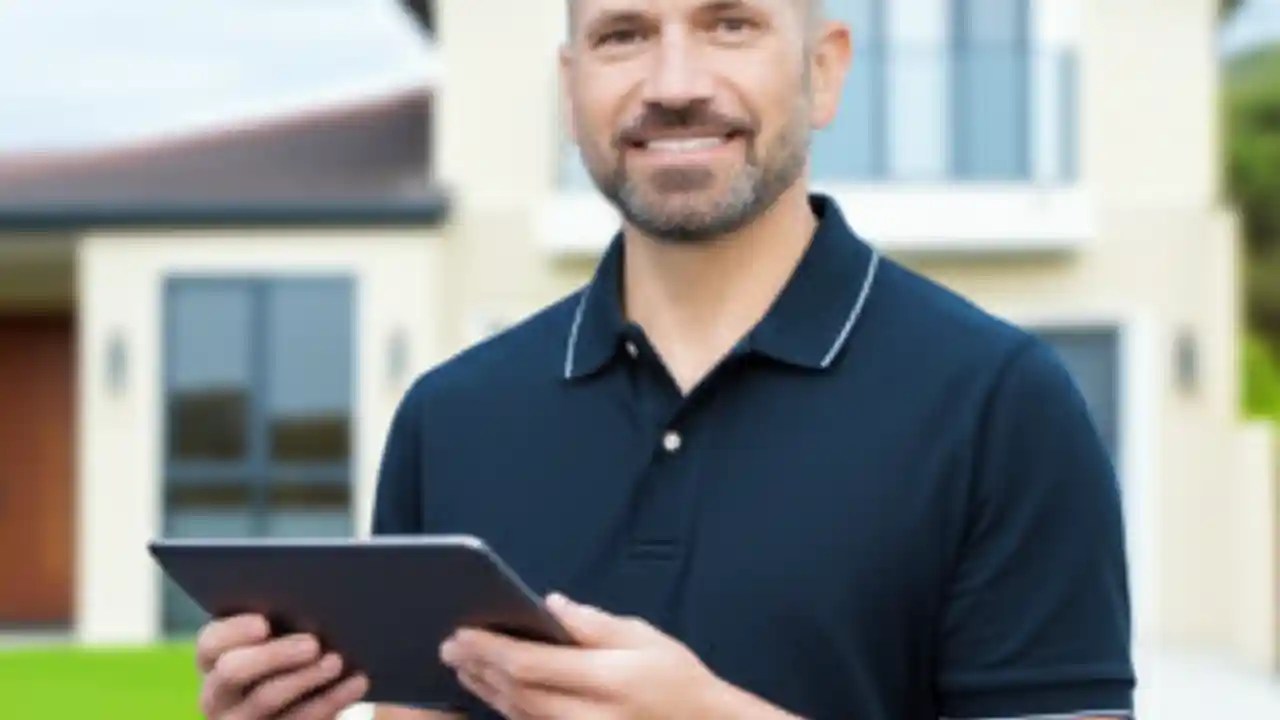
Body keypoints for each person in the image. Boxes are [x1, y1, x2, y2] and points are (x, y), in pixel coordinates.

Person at [192, 0, 1136, 718]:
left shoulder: (1003, 406)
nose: (674, 81)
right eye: (624, 35)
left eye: (728, 23)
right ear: (572, 89)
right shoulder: (450, 418)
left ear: (824, 72)